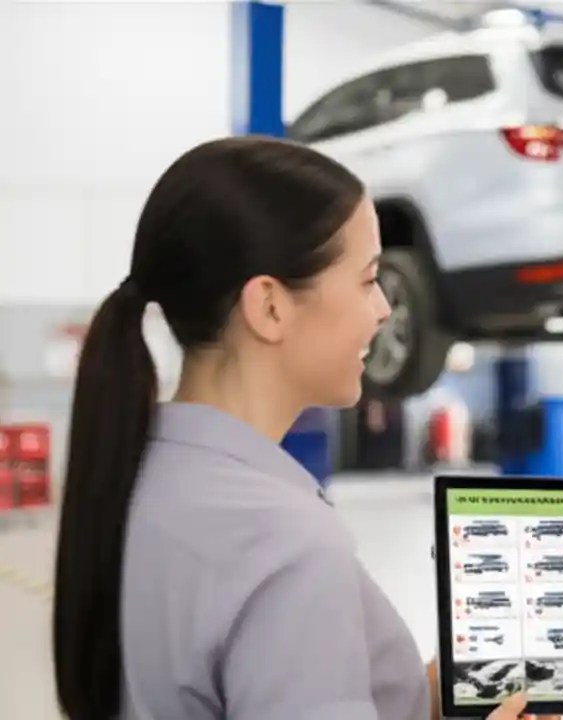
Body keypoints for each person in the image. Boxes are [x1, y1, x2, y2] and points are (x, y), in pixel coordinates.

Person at [51, 136, 530, 720]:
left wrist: (413, 698)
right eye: (366, 278)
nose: (383, 308)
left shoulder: (137, 476)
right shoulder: (284, 542)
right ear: (270, 307)